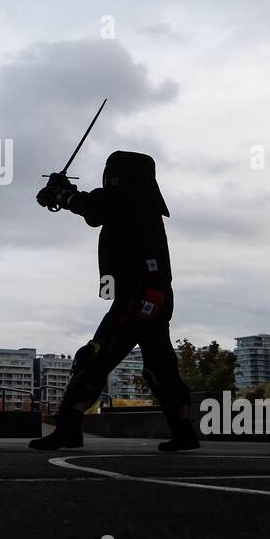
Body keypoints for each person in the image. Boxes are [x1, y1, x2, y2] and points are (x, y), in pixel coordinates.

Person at [30, 151, 199, 451]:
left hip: (137, 295)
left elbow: (93, 209)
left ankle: (69, 425)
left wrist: (62, 193)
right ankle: (183, 431)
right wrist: (65, 191)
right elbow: (96, 207)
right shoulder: (141, 203)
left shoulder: (127, 199)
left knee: (95, 354)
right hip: (154, 296)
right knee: (160, 367)